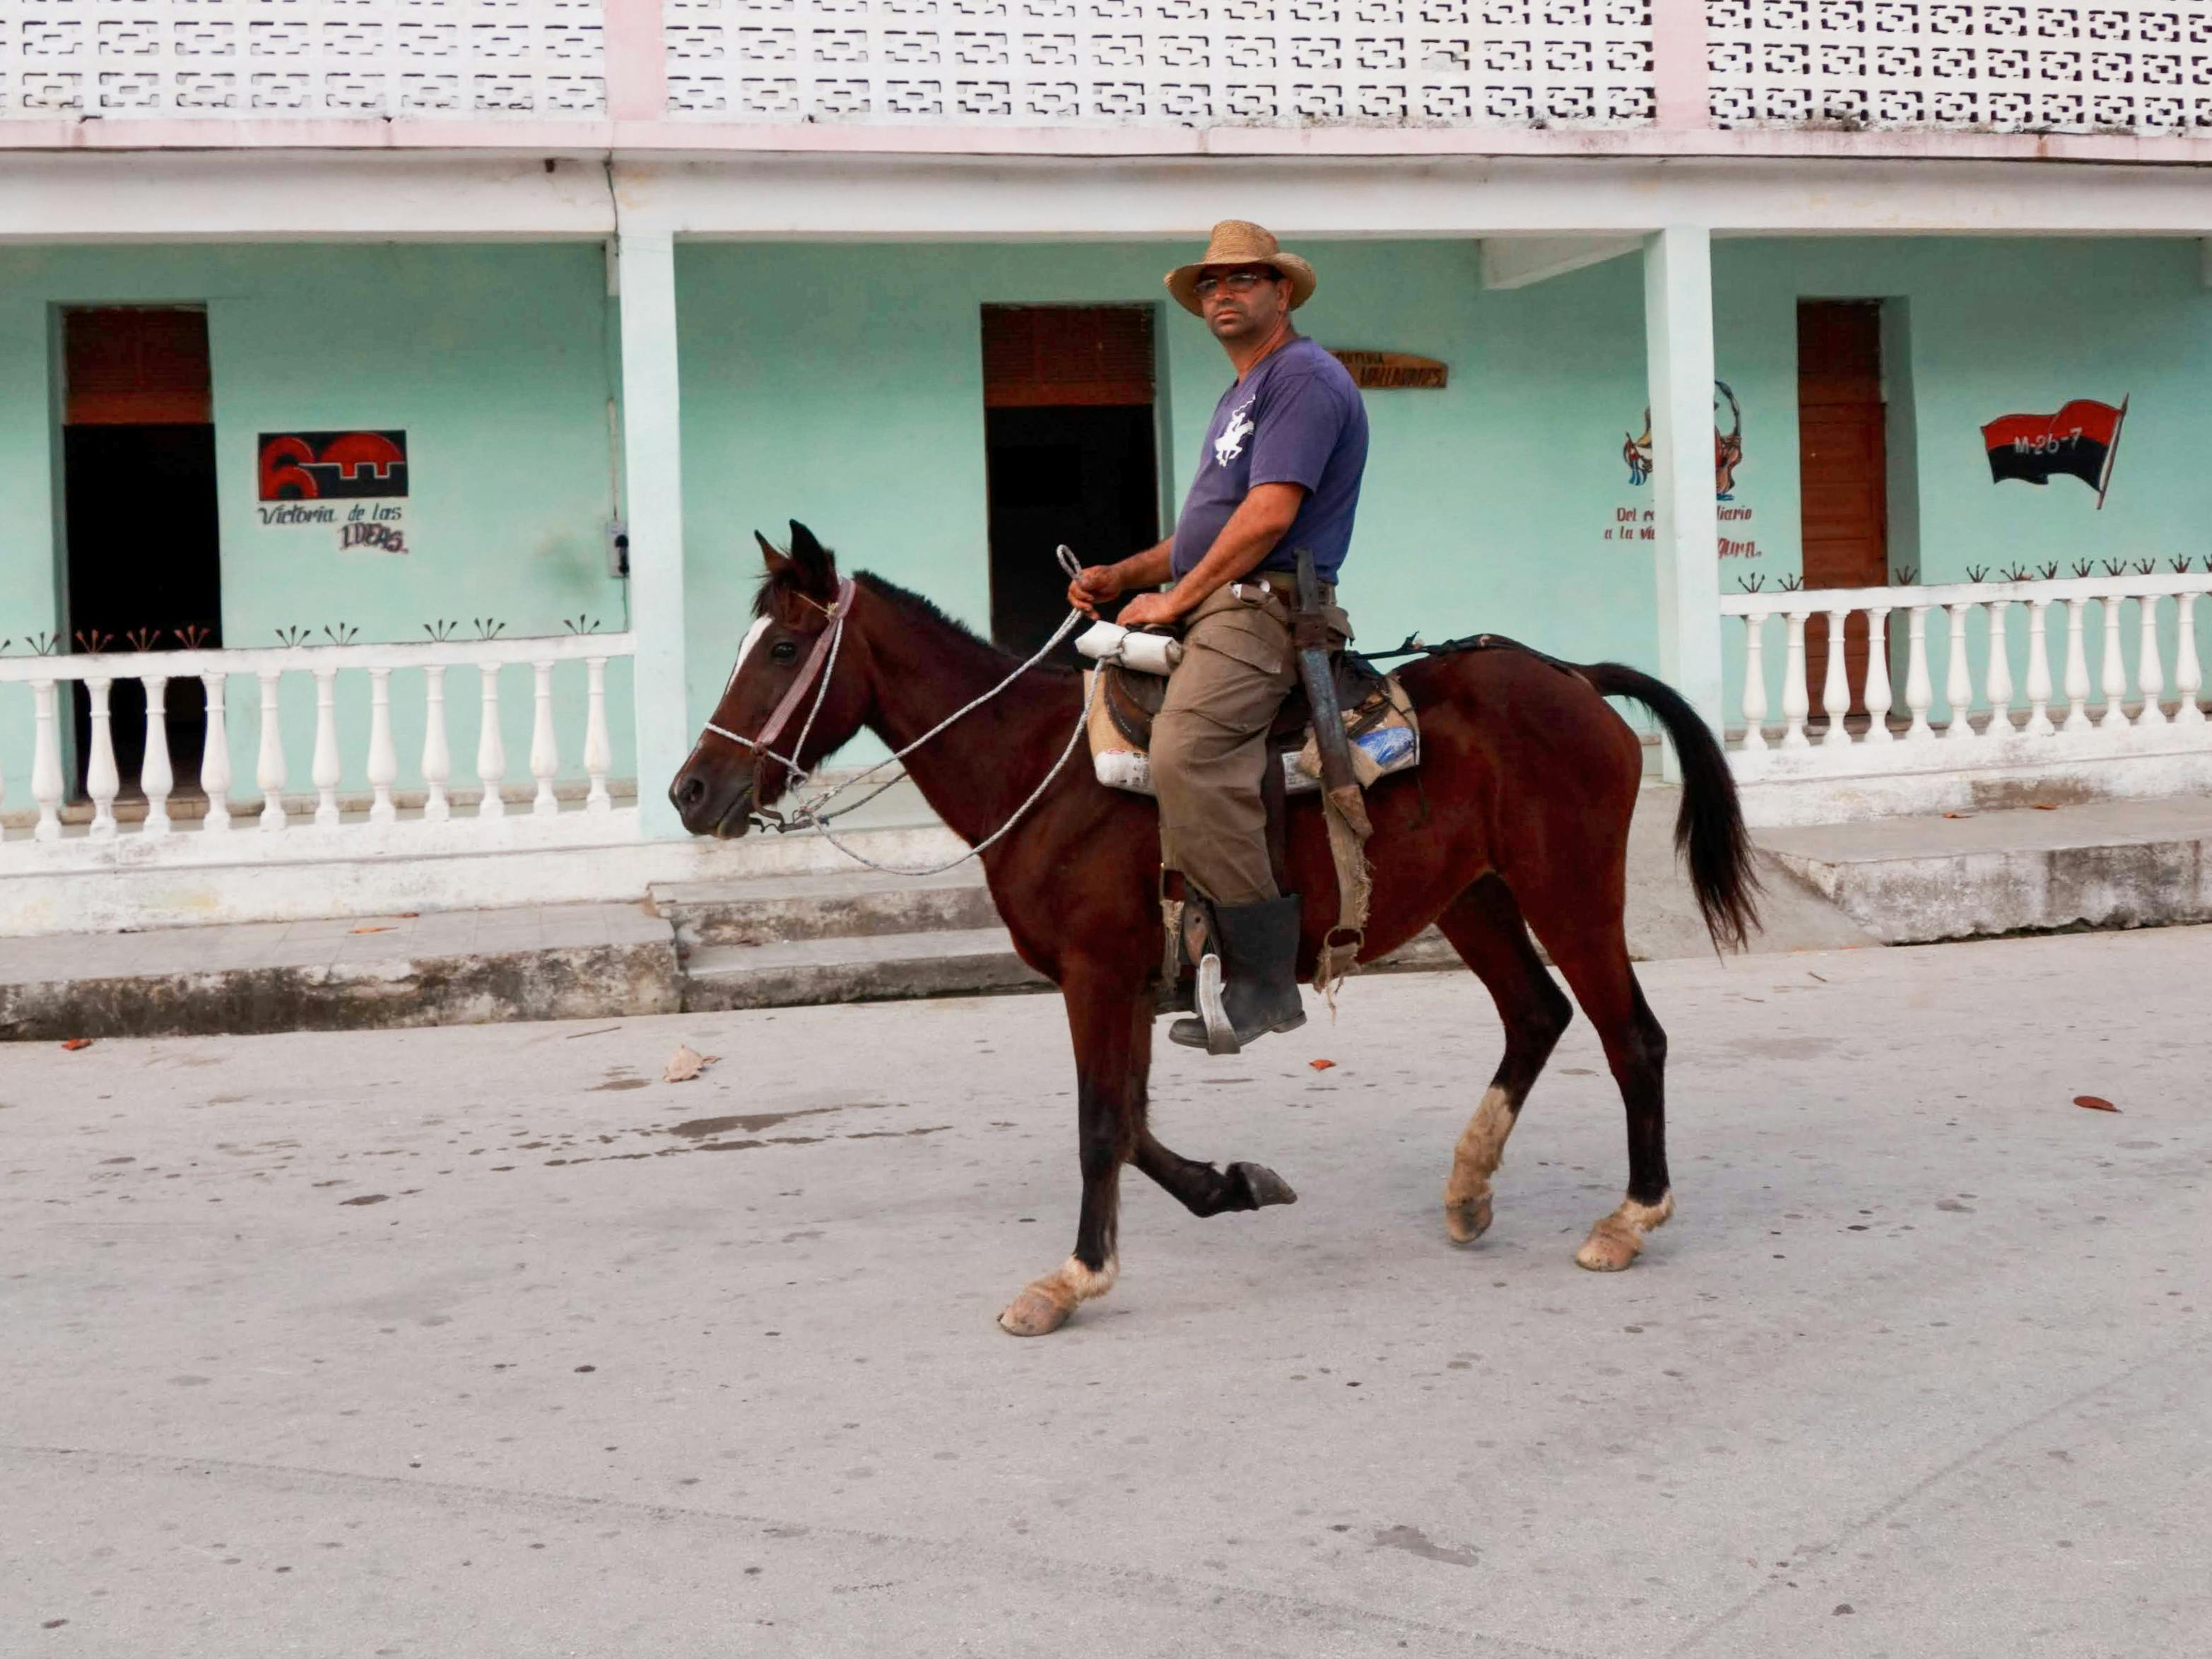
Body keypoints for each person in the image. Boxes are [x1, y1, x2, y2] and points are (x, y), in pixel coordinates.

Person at [1065, 220, 1369, 1053]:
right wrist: (1124, 576)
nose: (1222, 294)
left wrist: (1173, 601)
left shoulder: (1302, 377)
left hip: (1261, 609)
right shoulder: (1243, 392)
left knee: (1186, 752)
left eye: (1242, 279)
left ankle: (1265, 983)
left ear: (1281, 292)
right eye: (1209, 284)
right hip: (1218, 595)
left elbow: (1269, 515)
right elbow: (1204, 532)